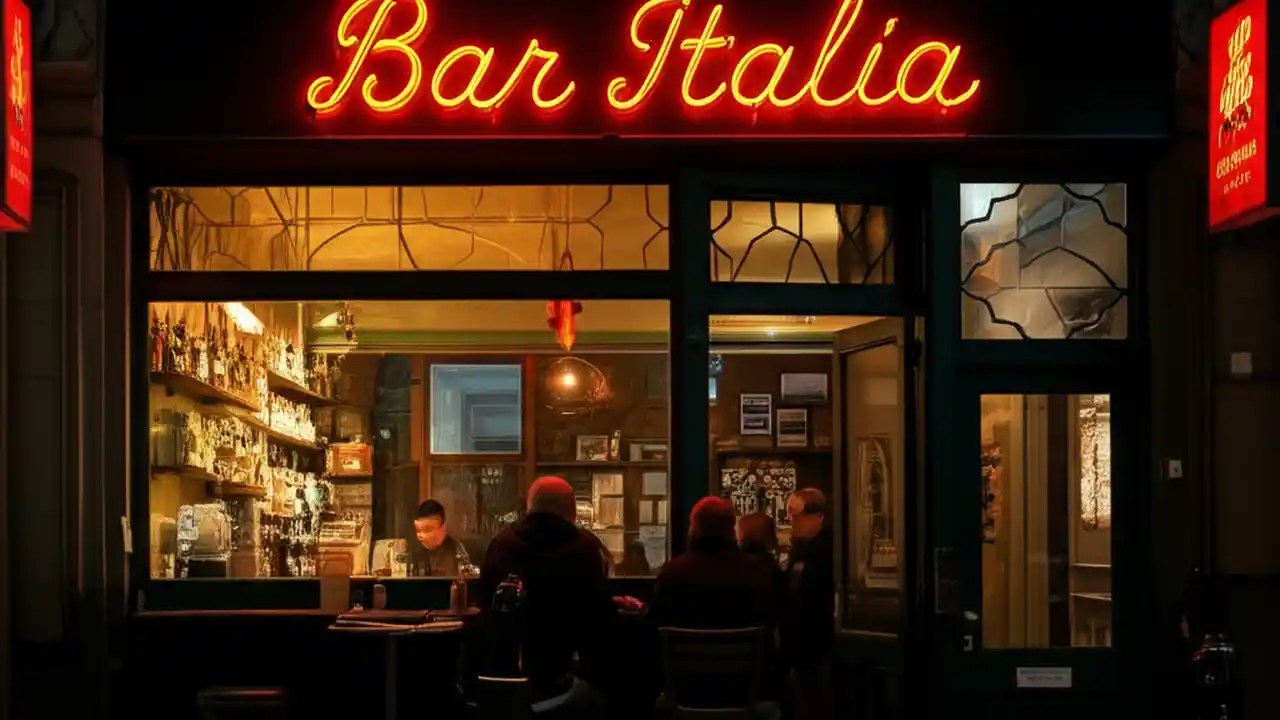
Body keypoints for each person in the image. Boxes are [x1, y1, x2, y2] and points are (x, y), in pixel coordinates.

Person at [477, 476, 616, 715]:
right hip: (564, 682)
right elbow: (598, 618)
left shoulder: (503, 544)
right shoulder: (584, 549)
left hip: (505, 683)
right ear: (571, 511)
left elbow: (484, 604)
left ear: (530, 507)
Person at [650, 498, 781, 714]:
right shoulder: (757, 574)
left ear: (694, 528)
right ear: (732, 529)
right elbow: (771, 624)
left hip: (686, 694)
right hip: (745, 694)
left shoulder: (672, 574)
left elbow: (653, 629)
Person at [783, 488, 834, 720]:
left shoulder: (821, 551)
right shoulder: (801, 550)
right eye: (789, 515)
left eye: (797, 515)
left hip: (814, 645)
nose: (792, 522)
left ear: (819, 517)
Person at [410, 499, 471, 577]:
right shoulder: (414, 553)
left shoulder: (457, 552)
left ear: (443, 529)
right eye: (418, 530)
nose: (422, 536)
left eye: (427, 530)